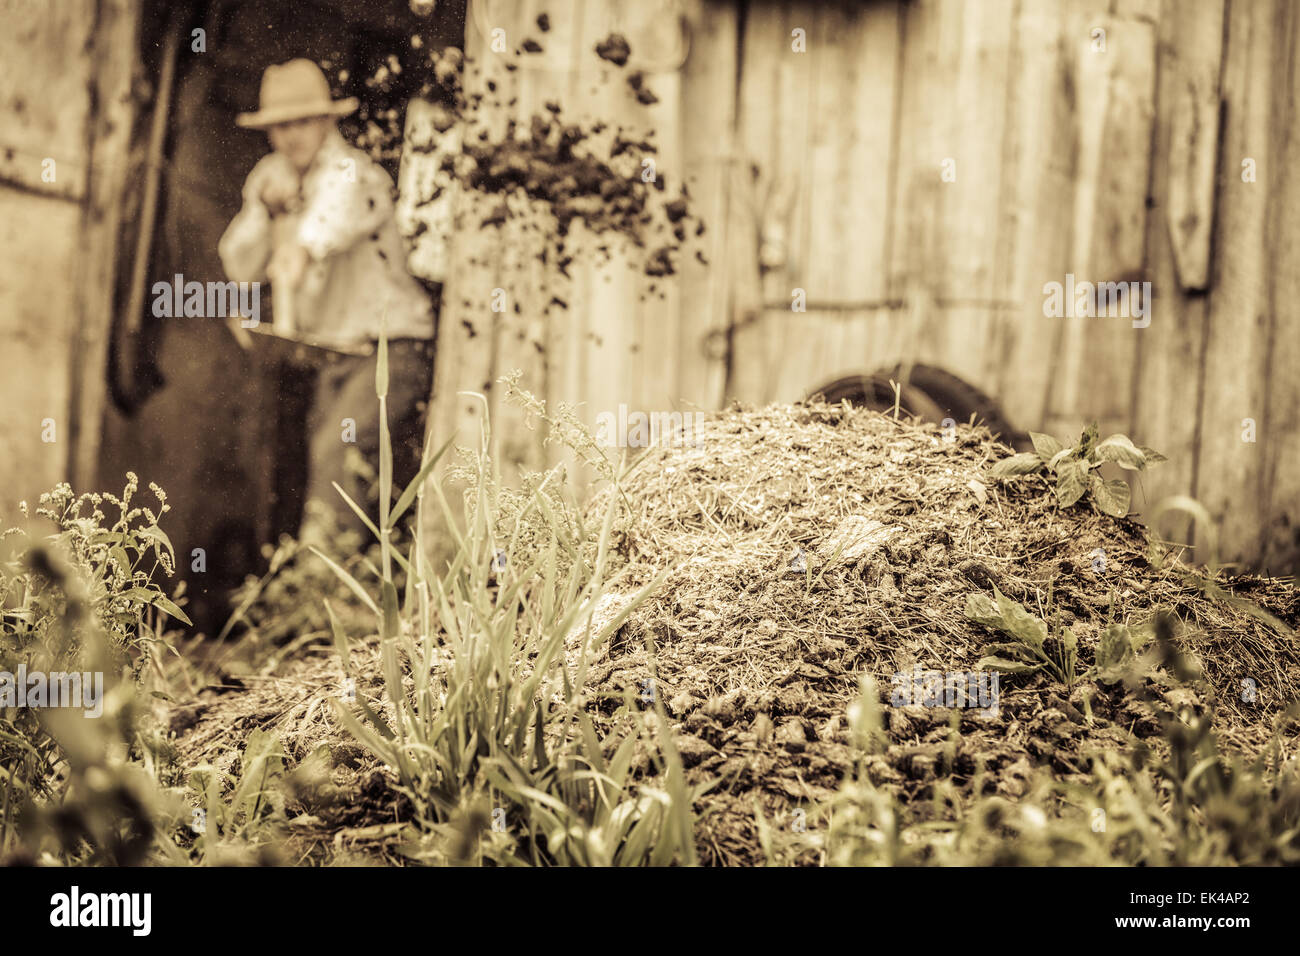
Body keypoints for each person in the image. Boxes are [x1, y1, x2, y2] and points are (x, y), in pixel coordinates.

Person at [218, 59, 435, 546]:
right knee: (320, 455)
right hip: (334, 353)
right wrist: (266, 217)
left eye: (302, 121)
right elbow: (239, 260)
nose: (291, 135)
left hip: (391, 346)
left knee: (339, 449)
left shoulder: (352, 171)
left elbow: (335, 216)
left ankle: (323, 580)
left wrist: (302, 246)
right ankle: (334, 577)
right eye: (280, 125)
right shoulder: (269, 176)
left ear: (326, 122)